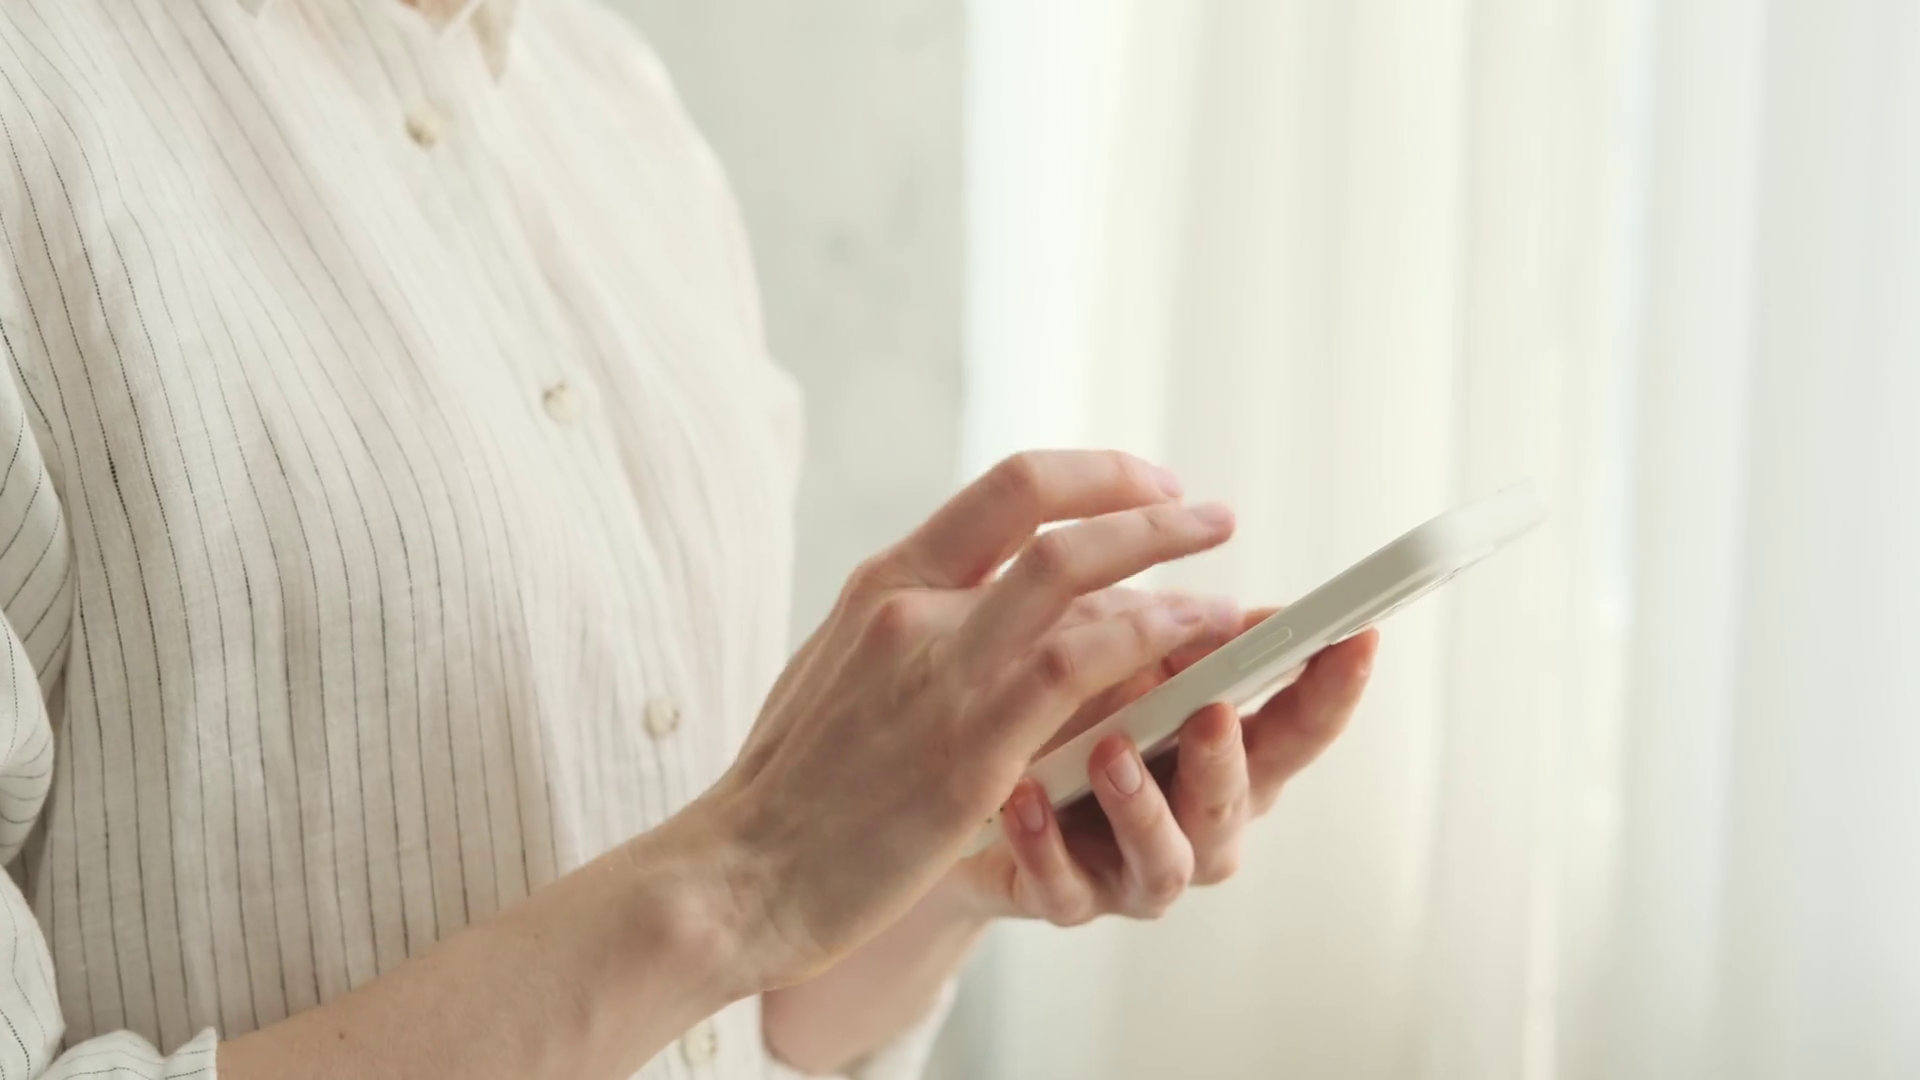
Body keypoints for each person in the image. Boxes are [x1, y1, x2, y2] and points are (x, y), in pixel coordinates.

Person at [0, 1, 1379, 1077]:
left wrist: (952, 861)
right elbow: (717, 899)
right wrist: (743, 880)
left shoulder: (620, 113)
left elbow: (720, 1018)